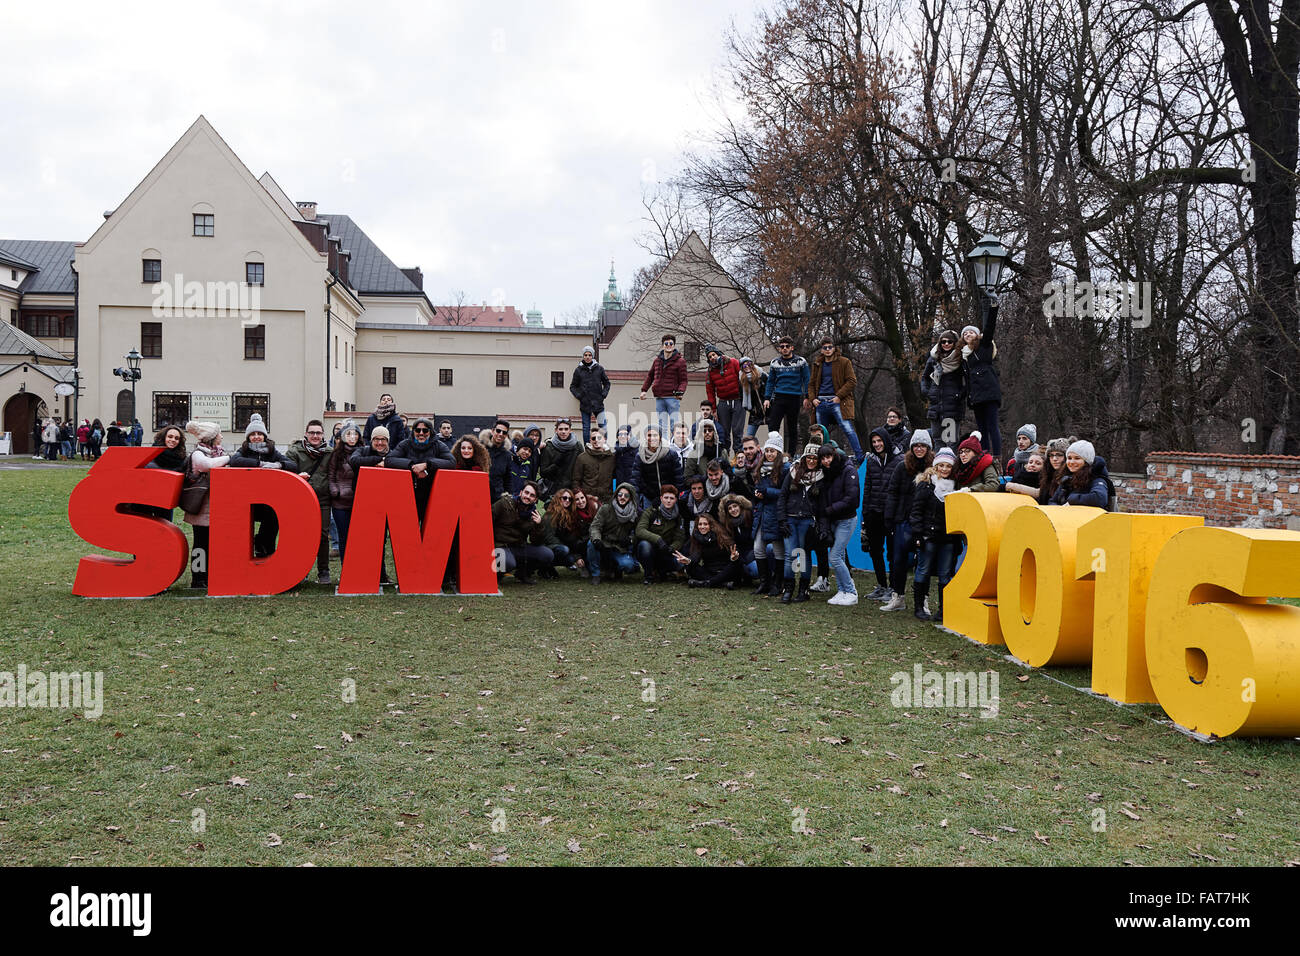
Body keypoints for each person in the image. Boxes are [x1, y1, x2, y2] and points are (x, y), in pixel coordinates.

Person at [229, 414, 302, 559]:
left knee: (273, 518)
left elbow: (293, 465)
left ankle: (265, 547)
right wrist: (260, 465)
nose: (256, 437)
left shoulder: (272, 451)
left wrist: (278, 465)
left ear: (264, 436)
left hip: (267, 499)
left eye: (259, 434)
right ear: (248, 437)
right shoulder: (243, 450)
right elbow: (235, 461)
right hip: (246, 498)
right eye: (253, 434)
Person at [350, 425, 409, 586]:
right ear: (372, 440)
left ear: (388, 441)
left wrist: (388, 461)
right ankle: (364, 573)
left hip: (387, 503)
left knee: (380, 541)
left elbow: (406, 464)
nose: (380, 443)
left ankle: (381, 574)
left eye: (383, 439)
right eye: (376, 439)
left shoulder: (393, 454)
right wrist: (379, 461)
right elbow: (353, 461)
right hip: (365, 502)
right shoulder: (363, 451)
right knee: (365, 540)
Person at [881, 429, 934, 611]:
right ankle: (898, 596)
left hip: (925, 521)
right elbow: (892, 492)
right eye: (916, 445)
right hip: (903, 520)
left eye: (923, 446)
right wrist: (889, 518)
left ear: (928, 447)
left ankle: (923, 599)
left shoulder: (934, 467)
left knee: (923, 562)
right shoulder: (902, 466)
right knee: (899, 560)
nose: (919, 449)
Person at [910, 447, 961, 622]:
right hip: (928, 536)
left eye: (948, 466)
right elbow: (916, 512)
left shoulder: (956, 488)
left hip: (948, 538)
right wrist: (917, 535)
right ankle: (919, 607)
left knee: (945, 574)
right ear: (936, 466)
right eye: (942, 465)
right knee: (922, 570)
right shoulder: (926, 485)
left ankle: (943, 609)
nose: (945, 469)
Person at [181, 421, 230, 589]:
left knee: (213, 544)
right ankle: (198, 578)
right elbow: (208, 466)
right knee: (200, 544)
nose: (221, 437)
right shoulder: (198, 454)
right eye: (219, 434)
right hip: (201, 508)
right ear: (211, 438)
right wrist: (231, 458)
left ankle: (211, 575)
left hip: (215, 508)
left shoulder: (218, 452)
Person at [285, 419, 335, 584]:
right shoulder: (295, 452)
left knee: (322, 535)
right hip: (301, 499)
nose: (315, 435)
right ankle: (302, 571)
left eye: (318, 433)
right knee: (302, 535)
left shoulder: (330, 452)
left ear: (323, 435)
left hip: (323, 500)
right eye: (312, 432)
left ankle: (323, 571)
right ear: (306, 434)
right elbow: (286, 470)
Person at [777, 444, 825, 603]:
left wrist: (819, 522)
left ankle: (803, 590)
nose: (811, 461)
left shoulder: (821, 477)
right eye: (808, 457)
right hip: (790, 518)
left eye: (814, 458)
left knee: (804, 555)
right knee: (790, 554)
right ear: (804, 458)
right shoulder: (793, 472)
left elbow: (822, 504)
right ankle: (788, 588)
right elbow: (782, 496)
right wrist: (782, 519)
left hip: (807, 520)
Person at [806, 337, 864, 464]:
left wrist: (839, 396)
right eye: (824, 347)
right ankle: (822, 459)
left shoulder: (844, 362)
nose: (827, 350)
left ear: (834, 347)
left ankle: (860, 458)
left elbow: (852, 381)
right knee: (820, 433)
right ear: (821, 350)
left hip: (837, 401)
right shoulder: (817, 364)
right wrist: (813, 399)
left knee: (847, 429)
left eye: (830, 347)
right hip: (820, 402)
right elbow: (811, 384)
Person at [861, 427, 900, 600]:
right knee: (875, 551)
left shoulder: (899, 460)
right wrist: (865, 512)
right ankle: (881, 585)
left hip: (891, 515)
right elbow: (867, 487)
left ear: (886, 441)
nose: (877, 444)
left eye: (879, 441)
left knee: (892, 553)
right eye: (874, 442)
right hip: (873, 513)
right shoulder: (871, 461)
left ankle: (893, 588)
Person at [819, 445, 861, 606]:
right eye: (823, 458)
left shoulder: (848, 470)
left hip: (847, 519)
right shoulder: (827, 472)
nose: (826, 461)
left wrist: (829, 509)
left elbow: (851, 498)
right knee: (839, 555)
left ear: (834, 455)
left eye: (828, 457)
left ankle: (851, 591)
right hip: (833, 520)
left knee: (834, 557)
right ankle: (842, 590)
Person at [392, 417, 456, 522]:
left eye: (425, 430)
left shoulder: (439, 445)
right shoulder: (405, 444)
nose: (421, 433)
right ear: (413, 432)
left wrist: (428, 464)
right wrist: (412, 466)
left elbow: (451, 462)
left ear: (430, 431)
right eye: (418, 430)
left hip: (432, 494)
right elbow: (390, 460)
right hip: (408, 494)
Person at [491, 480, 553, 585]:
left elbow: (536, 542)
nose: (528, 496)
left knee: (547, 554)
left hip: (518, 547)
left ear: (535, 499)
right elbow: (488, 520)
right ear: (521, 493)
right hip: (500, 546)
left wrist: (538, 525)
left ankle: (523, 573)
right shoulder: (504, 503)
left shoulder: (534, 515)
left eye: (532, 495)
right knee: (509, 563)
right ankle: (496, 574)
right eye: (526, 493)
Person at [750, 432, 788, 596]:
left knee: (779, 549)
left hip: (777, 514)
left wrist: (767, 492)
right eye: (767, 451)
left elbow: (785, 493)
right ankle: (764, 583)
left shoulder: (785, 469)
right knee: (758, 548)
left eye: (773, 451)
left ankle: (778, 584)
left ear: (778, 452)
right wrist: (758, 494)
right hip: (762, 513)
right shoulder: (761, 468)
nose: (769, 454)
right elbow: (761, 491)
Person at [962, 312, 1001, 461]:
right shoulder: (964, 355)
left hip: (989, 393)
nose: (968, 334)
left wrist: (992, 307)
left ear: (977, 334)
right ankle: (984, 457)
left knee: (992, 427)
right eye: (965, 333)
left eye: (971, 331)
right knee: (982, 430)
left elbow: (990, 326)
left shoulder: (984, 346)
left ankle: (997, 458)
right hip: (976, 397)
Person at [765, 336, 810, 455]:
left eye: (787, 346)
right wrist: (767, 398)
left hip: (794, 397)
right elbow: (770, 381)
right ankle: (775, 452)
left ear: (792, 348)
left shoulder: (801, 361)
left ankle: (791, 454)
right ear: (779, 349)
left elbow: (807, 379)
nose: (784, 348)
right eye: (782, 346)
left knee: (792, 428)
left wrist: (807, 396)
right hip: (779, 397)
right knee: (773, 426)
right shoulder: (775, 363)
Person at [635, 485, 689, 583]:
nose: (668, 501)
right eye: (666, 498)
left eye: (671, 498)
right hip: (651, 549)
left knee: (679, 564)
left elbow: (680, 538)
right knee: (644, 545)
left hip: (666, 551)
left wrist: (672, 547)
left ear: (676, 500)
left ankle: (662, 572)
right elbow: (640, 530)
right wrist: (658, 540)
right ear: (661, 498)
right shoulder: (651, 511)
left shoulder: (678, 517)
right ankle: (649, 576)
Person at [588, 482, 640, 584]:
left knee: (628, 566)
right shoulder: (606, 508)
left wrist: (630, 539)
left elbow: (639, 532)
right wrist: (596, 539)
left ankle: (617, 570)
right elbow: (595, 526)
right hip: (604, 542)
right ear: (616, 495)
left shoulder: (635, 513)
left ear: (631, 497)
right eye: (620, 494)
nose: (622, 497)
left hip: (620, 547)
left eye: (626, 495)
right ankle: (596, 575)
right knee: (591, 544)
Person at [922, 330, 967, 447]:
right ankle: (938, 465)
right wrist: (927, 392)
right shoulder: (933, 358)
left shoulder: (960, 359)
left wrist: (959, 395)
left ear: (955, 343)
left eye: (950, 341)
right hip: (935, 407)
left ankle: (950, 465)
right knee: (937, 440)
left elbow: (968, 381)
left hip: (952, 407)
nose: (946, 344)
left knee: (951, 441)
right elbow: (925, 377)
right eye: (943, 342)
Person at [640, 333, 688, 436]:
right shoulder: (657, 361)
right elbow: (650, 376)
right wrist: (644, 390)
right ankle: (665, 447)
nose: (668, 345)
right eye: (666, 343)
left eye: (671, 343)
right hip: (659, 398)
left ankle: (674, 447)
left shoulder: (680, 361)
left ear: (674, 345)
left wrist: (680, 392)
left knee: (674, 425)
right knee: (662, 426)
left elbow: (684, 380)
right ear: (662, 345)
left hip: (673, 398)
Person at [327, 420, 362, 562]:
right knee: (343, 536)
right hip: (340, 503)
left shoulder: (364, 451)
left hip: (358, 501)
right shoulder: (337, 453)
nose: (352, 437)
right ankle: (345, 566)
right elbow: (331, 474)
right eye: (348, 434)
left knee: (358, 537)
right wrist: (335, 491)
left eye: (355, 434)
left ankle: (356, 566)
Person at [1045, 440, 1112, 508]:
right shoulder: (1066, 479)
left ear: (1086, 461)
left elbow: (1099, 499)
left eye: (1077, 458)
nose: (1071, 462)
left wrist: (1072, 500)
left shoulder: (1097, 479)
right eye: (1069, 458)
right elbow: (1052, 501)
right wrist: (1059, 509)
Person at [685, 513, 743, 589]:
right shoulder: (697, 538)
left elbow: (736, 554)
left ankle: (706, 583)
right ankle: (722, 584)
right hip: (710, 572)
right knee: (690, 567)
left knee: (736, 564)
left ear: (711, 525)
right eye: (700, 524)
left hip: (726, 571)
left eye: (705, 524)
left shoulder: (721, 536)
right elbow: (695, 558)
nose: (702, 527)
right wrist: (688, 561)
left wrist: (734, 558)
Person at [704, 344, 744, 452]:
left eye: (713, 354)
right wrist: (714, 409)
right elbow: (710, 391)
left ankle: (738, 455)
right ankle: (724, 456)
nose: (712, 357)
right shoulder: (710, 372)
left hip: (737, 400)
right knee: (724, 432)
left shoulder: (733, 362)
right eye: (710, 357)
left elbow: (743, 377)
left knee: (737, 431)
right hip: (723, 402)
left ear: (718, 353)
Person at [634, 426, 683, 508]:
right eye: (649, 435)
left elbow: (678, 477)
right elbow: (636, 478)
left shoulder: (670, 454)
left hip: (670, 497)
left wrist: (675, 494)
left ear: (660, 437)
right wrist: (646, 492)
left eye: (655, 435)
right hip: (649, 497)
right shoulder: (640, 456)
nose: (652, 438)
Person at [569, 345, 611, 442]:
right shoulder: (578, 370)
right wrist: (579, 396)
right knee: (586, 428)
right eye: (585, 355)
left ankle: (604, 445)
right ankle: (587, 447)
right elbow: (573, 386)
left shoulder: (599, 369)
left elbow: (607, 383)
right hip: (585, 404)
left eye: (589, 355)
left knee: (603, 426)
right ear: (583, 356)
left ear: (592, 356)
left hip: (598, 403)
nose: (587, 357)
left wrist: (603, 395)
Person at [541, 489, 587, 575]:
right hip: (546, 546)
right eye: (565, 498)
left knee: (570, 559)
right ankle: (544, 566)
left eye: (570, 499)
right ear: (558, 498)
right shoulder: (550, 515)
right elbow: (548, 537)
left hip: (560, 544)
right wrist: (565, 546)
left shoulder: (568, 514)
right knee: (564, 550)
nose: (567, 501)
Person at [539, 418, 582, 499]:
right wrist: (556, 465)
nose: (563, 432)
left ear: (570, 430)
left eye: (566, 429)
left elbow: (581, 469)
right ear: (556, 430)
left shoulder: (577, 446)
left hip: (571, 489)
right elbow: (543, 473)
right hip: (553, 490)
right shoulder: (548, 446)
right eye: (560, 429)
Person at [718, 493, 757, 580]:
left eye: (735, 506)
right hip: (740, 555)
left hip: (754, 551)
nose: (733, 510)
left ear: (740, 506)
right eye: (730, 508)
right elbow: (732, 543)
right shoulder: (728, 524)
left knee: (755, 570)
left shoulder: (749, 516)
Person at [573, 428, 615, 506]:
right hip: (588, 500)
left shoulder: (612, 458)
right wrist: (581, 496)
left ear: (604, 439)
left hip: (607, 499)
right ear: (590, 440)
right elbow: (576, 480)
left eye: (599, 438)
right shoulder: (582, 458)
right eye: (593, 438)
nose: (596, 440)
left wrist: (614, 493)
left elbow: (614, 478)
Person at [738, 357, 767, 439]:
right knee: (748, 437)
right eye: (744, 366)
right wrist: (751, 409)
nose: (747, 366)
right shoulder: (742, 381)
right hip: (755, 412)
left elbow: (771, 388)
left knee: (773, 435)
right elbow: (741, 397)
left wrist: (771, 401)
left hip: (768, 409)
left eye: (749, 364)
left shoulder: (762, 375)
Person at [1038, 437, 1073, 505]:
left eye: (1059, 455)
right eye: (1051, 455)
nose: (1054, 459)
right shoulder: (1046, 476)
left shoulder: (1070, 478)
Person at [486, 419, 513, 499]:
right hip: (480, 494)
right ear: (492, 431)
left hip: (497, 498)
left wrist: (509, 497)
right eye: (498, 431)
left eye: (504, 432)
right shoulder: (480, 449)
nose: (501, 434)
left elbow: (508, 479)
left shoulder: (507, 455)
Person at [613, 425, 639, 496]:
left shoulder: (637, 451)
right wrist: (614, 490)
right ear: (617, 437)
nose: (623, 436)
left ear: (630, 436)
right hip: (620, 490)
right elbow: (614, 475)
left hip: (634, 490)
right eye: (620, 434)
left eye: (625, 434)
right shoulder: (616, 453)